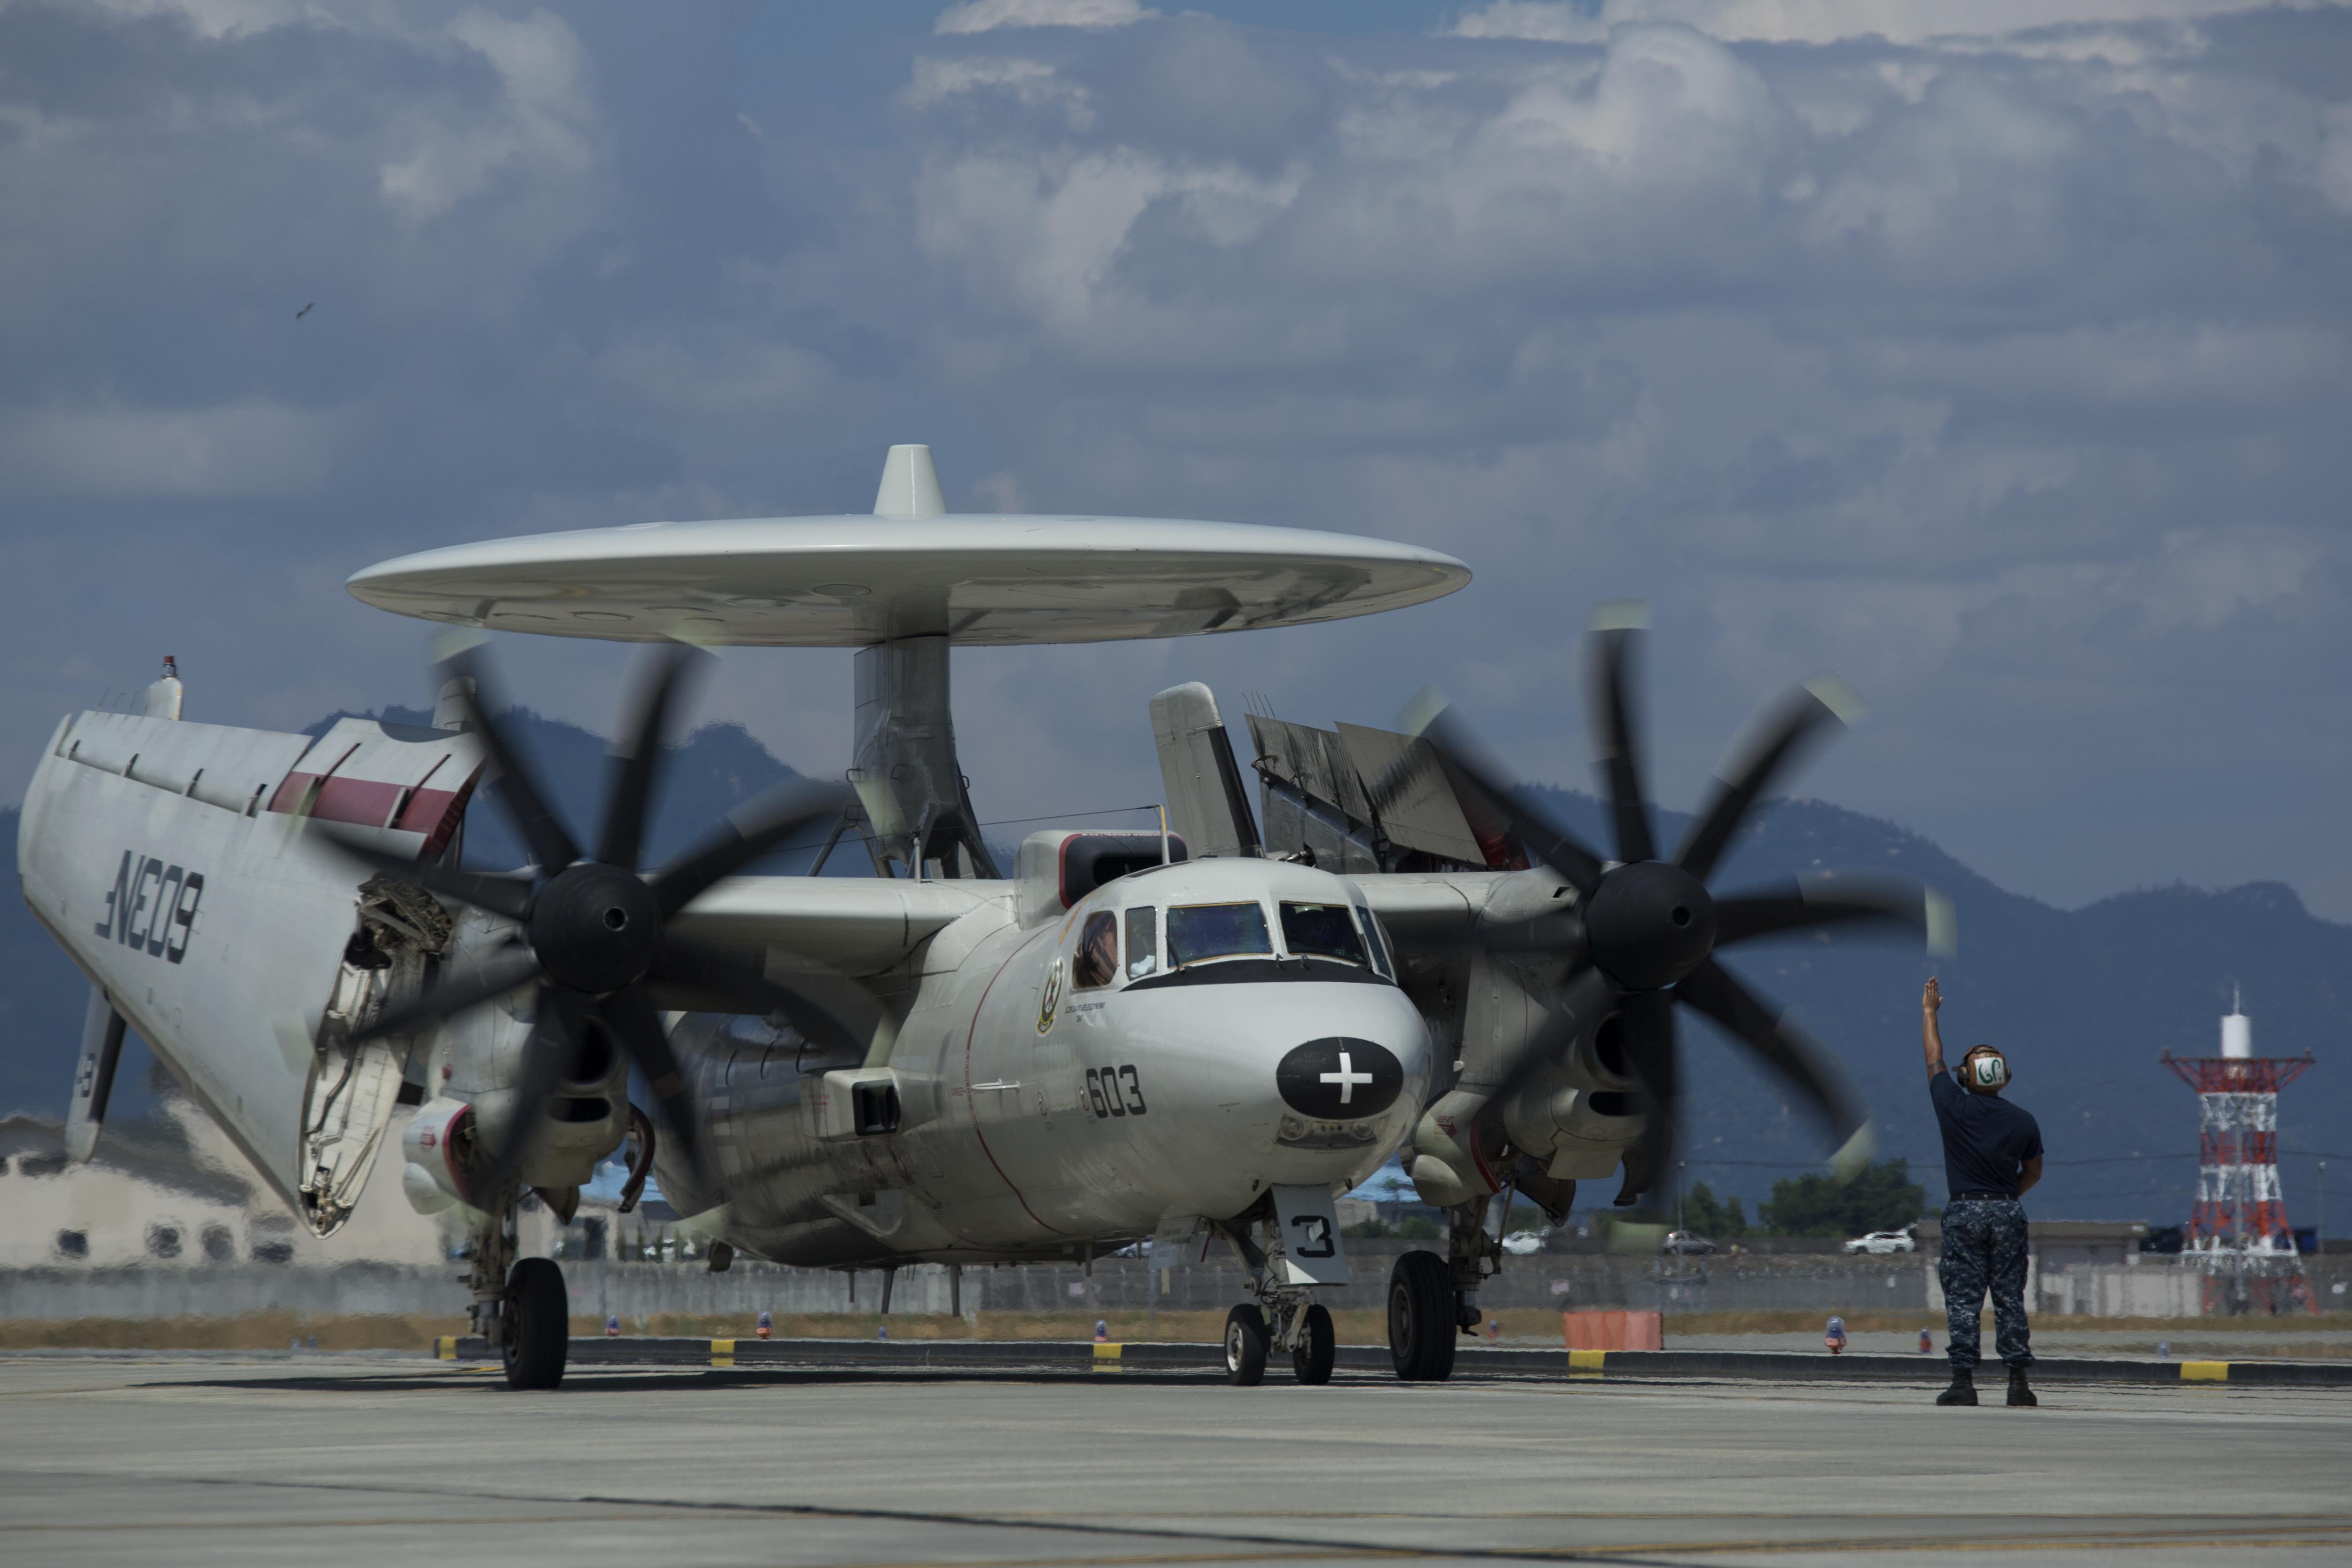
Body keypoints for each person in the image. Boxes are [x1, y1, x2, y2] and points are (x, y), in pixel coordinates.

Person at [1921, 977, 2044, 1408]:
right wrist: (2008, 1194)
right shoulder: (2023, 1121)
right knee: (2010, 1297)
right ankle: (2017, 1383)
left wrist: (1930, 1013)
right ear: (2003, 1077)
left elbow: (1933, 1059)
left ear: (1965, 1076)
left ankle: (1963, 1382)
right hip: (2007, 1210)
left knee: (1963, 1299)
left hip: (1964, 1211)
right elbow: (2033, 1172)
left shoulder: (1952, 1106)